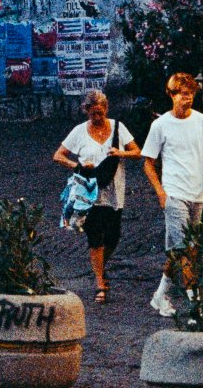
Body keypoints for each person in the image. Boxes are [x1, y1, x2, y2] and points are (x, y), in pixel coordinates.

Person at [142, 71, 203, 318]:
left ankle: (160, 294)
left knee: (179, 250)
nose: (187, 100)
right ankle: (196, 305)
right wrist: (160, 192)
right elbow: (148, 162)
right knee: (187, 250)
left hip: (197, 195)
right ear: (171, 95)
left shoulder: (202, 122)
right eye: (182, 95)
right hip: (174, 195)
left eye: (190, 95)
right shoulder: (160, 125)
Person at [53, 89, 140, 303]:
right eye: (93, 114)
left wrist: (121, 153)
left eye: (100, 113)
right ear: (86, 112)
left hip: (114, 192)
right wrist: (78, 165)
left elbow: (137, 152)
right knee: (95, 237)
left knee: (113, 236)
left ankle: (99, 267)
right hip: (89, 195)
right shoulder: (79, 131)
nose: (97, 117)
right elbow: (58, 155)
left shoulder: (118, 128)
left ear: (106, 109)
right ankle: (99, 282)